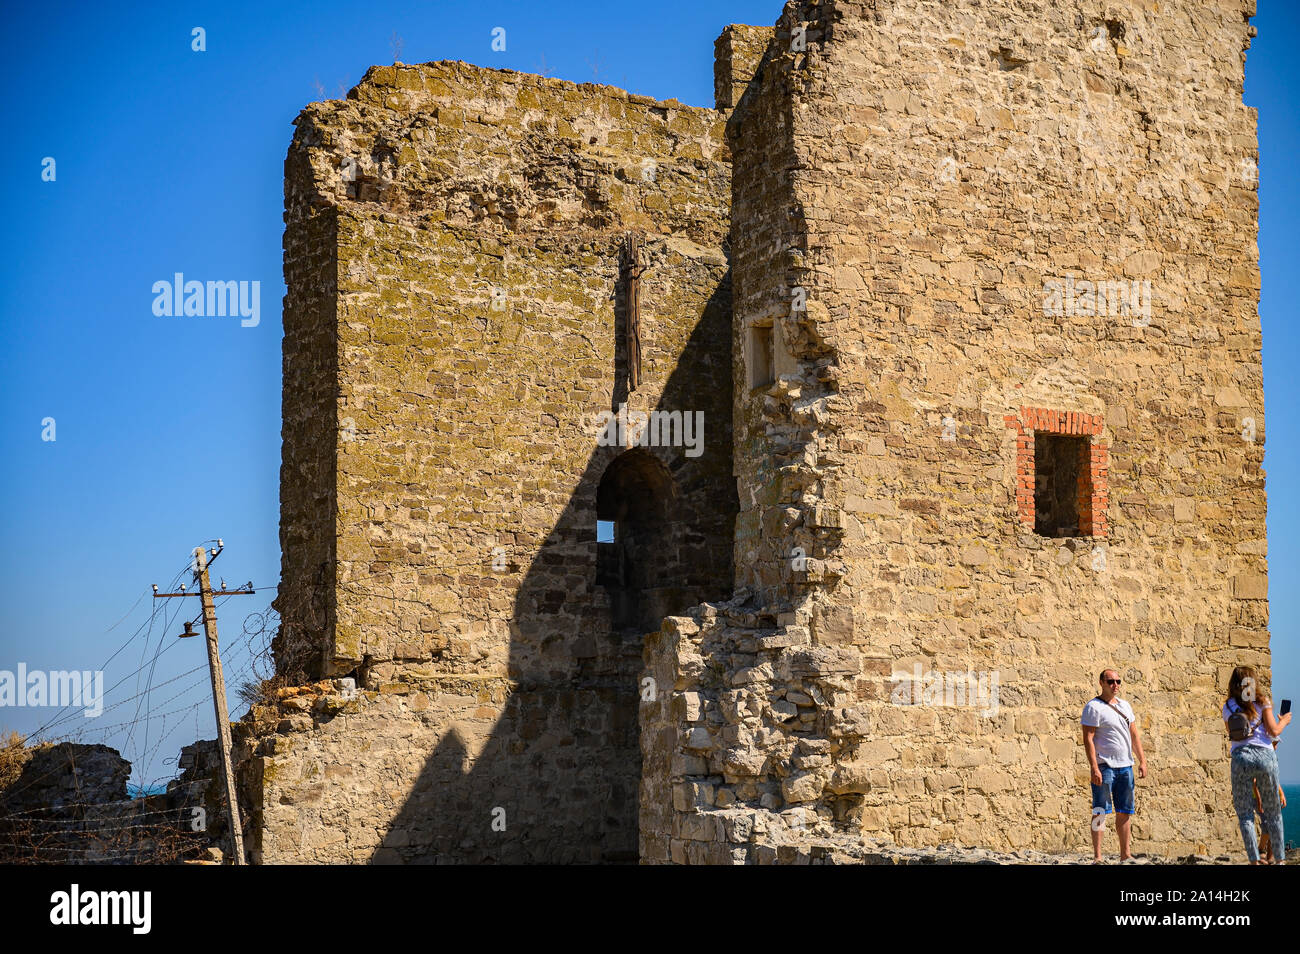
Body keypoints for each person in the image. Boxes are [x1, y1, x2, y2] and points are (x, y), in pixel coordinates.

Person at [1223, 665, 1290, 864]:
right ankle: (1279, 860)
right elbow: (1274, 731)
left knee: (1245, 814)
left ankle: (1254, 859)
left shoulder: (1228, 706)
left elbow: (1232, 733)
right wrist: (1284, 720)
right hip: (1265, 757)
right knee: (1273, 812)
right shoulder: (1262, 702)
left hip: (1240, 758)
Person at [1082, 669, 1147, 862]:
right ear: (1101, 682)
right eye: (1111, 681)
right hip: (1105, 766)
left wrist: (1142, 760)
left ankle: (1125, 854)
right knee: (1100, 810)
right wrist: (1094, 767)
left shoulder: (1125, 706)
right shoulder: (1093, 707)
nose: (1115, 685)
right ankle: (1098, 856)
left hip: (1126, 766)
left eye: (1118, 681)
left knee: (1125, 811)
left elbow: (1134, 735)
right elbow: (1088, 738)